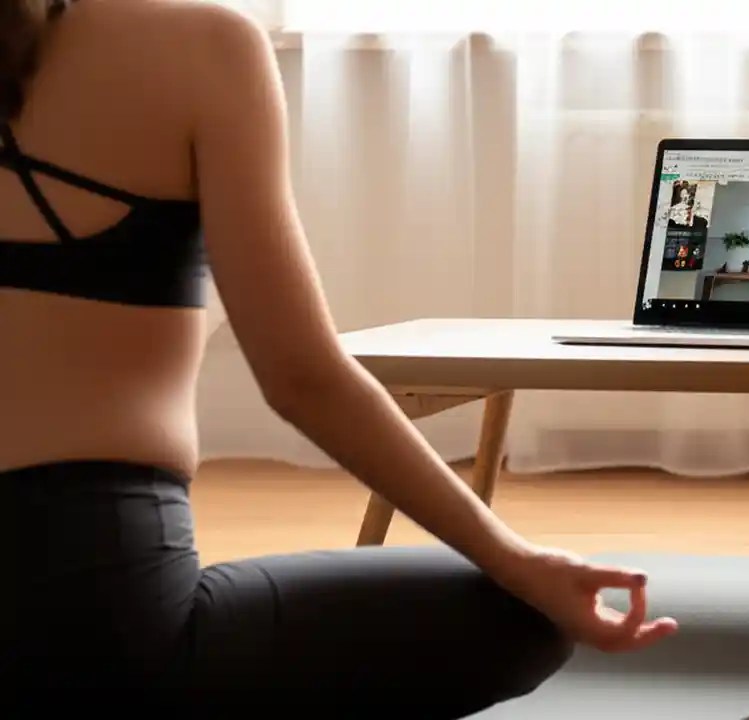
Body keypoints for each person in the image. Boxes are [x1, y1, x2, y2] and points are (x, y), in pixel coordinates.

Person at [0, 0, 677, 711]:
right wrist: (516, 561)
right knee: (524, 620)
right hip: (97, 616)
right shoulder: (199, 46)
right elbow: (302, 380)